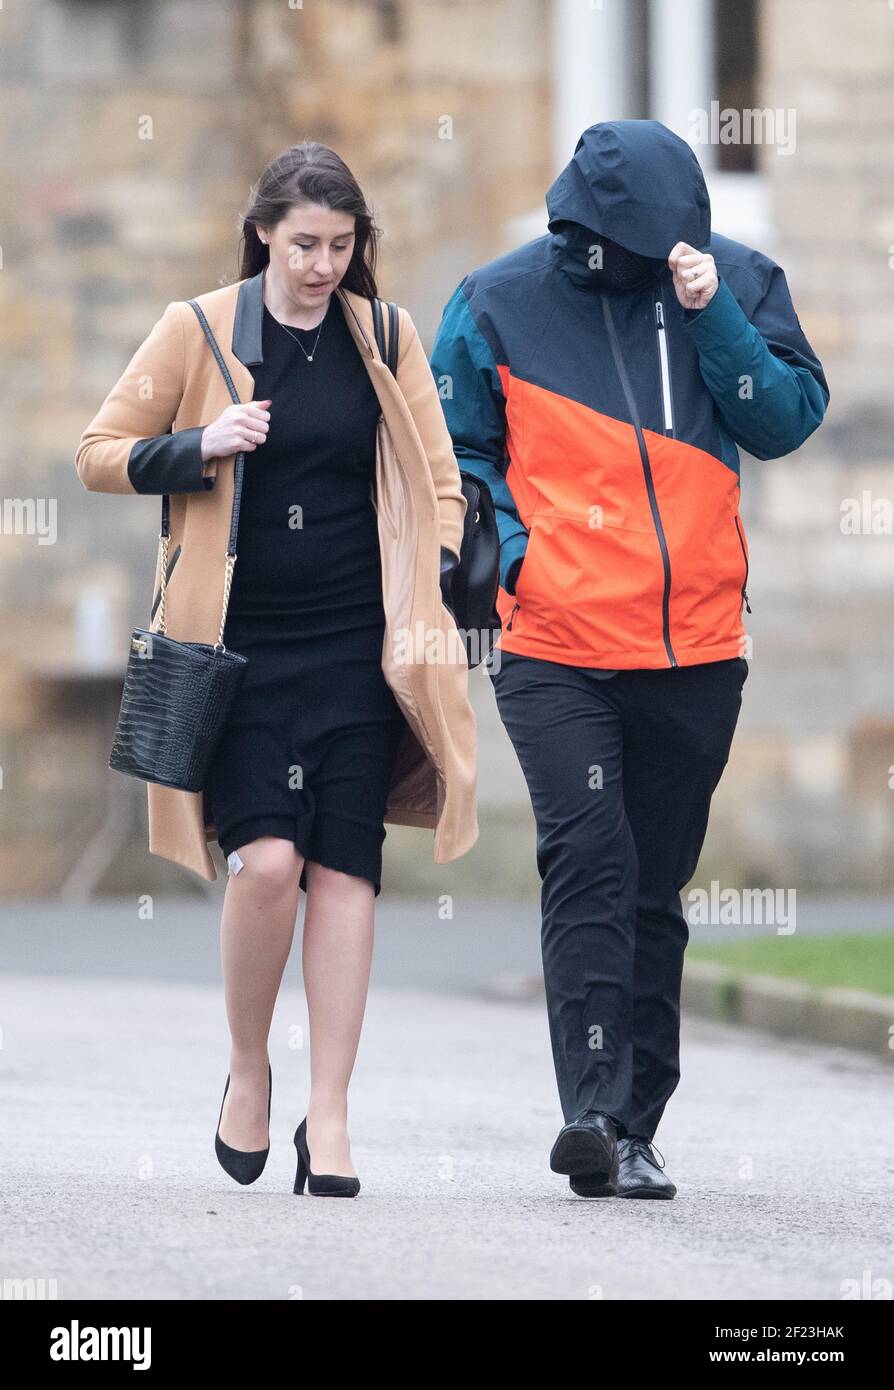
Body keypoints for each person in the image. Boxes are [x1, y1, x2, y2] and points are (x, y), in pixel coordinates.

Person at [430, 119, 829, 1199]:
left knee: (653, 886)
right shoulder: (498, 300)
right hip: (556, 646)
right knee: (589, 859)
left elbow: (787, 419)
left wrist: (715, 319)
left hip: (696, 647)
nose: (661, 257)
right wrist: (511, 558)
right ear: (584, 229)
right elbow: (450, 451)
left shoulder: (737, 279)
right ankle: (594, 1115)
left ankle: (639, 1124)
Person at [75, 141, 478, 1197]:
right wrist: (202, 440)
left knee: (345, 872)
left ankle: (330, 1117)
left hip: (357, 655)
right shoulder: (199, 327)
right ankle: (248, 1068)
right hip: (240, 657)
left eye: (341, 246)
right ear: (264, 232)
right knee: (265, 866)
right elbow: (98, 452)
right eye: (304, 243)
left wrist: (434, 567)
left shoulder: (385, 334)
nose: (322, 265)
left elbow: (442, 482)